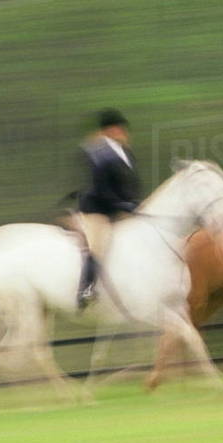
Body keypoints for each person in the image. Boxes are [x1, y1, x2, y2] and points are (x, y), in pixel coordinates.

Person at [75, 108, 140, 308]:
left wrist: (134, 203)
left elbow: (132, 183)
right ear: (111, 130)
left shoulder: (125, 152)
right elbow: (101, 188)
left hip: (120, 207)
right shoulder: (98, 152)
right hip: (97, 209)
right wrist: (122, 204)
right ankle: (86, 288)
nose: (124, 132)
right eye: (120, 128)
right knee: (98, 246)